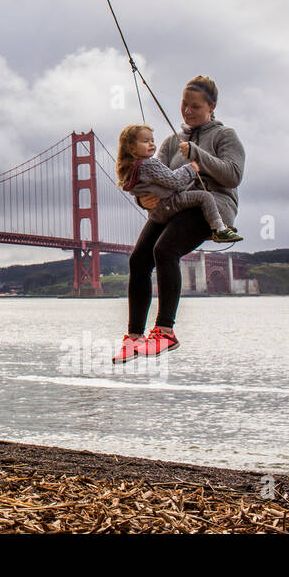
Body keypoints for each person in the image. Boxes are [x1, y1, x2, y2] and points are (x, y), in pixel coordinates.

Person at [113, 75, 245, 364]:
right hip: (174, 204)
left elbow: (233, 175)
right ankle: (134, 338)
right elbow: (153, 174)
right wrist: (142, 198)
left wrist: (196, 154)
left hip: (213, 206)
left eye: (195, 107)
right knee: (139, 260)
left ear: (211, 107)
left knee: (165, 250)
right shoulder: (172, 141)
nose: (187, 112)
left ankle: (165, 331)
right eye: (184, 105)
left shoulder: (225, 136)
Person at [116, 123, 242, 243]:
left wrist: (140, 200)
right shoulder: (150, 163)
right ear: (131, 147)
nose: (151, 144)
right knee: (205, 196)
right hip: (170, 203)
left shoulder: (130, 168)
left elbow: (141, 188)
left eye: (152, 141)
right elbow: (174, 180)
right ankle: (220, 229)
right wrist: (191, 169)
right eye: (145, 141)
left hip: (156, 212)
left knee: (145, 257)